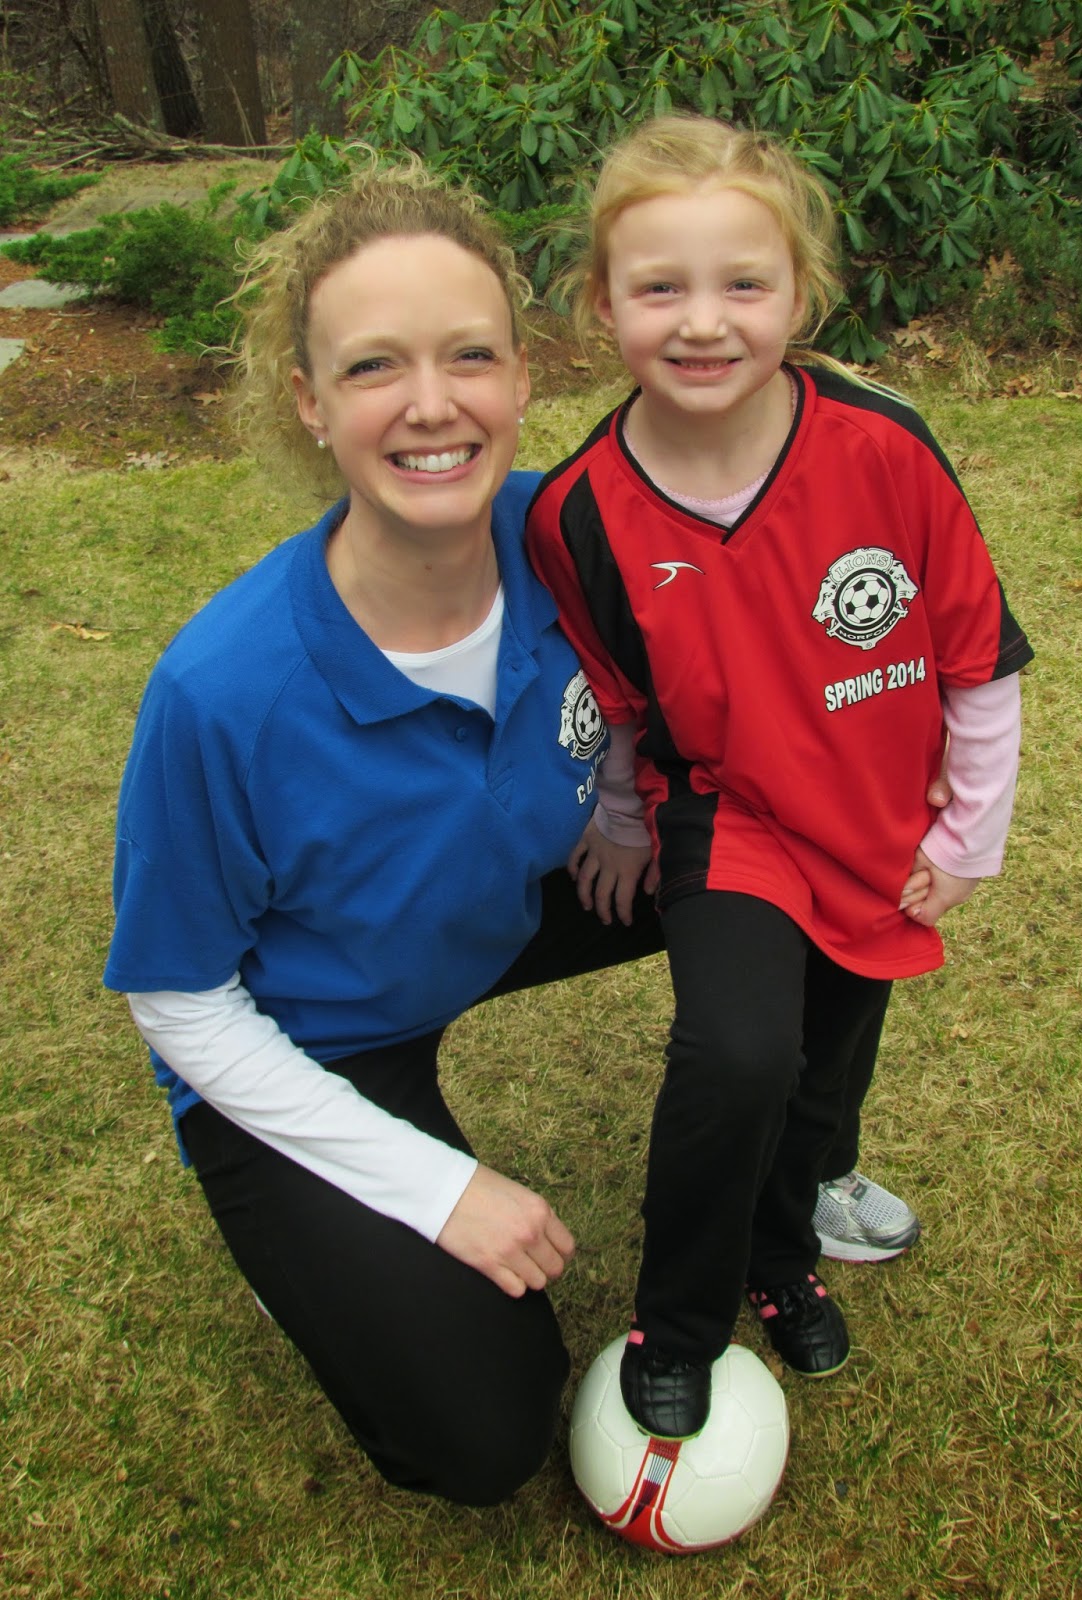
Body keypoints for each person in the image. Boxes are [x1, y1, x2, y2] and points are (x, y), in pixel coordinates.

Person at [102, 159, 665, 1505]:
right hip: (313, 1035)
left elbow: (659, 678)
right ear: (309, 402)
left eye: (471, 355)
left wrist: (630, 811)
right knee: (480, 1440)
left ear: (525, 377)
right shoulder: (222, 692)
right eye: (372, 369)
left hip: (508, 903)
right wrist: (434, 1189)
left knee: (801, 865)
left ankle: (800, 1182)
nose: (432, 406)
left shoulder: (575, 541)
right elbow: (180, 1000)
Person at [526, 115, 1033, 1440]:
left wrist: (969, 835)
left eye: (743, 283)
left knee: (821, 1079)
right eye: (659, 287)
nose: (704, 322)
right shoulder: (577, 511)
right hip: (726, 815)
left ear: (801, 293)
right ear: (602, 305)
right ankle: (677, 1319)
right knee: (741, 1052)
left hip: (872, 824)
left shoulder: (887, 449)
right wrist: (629, 825)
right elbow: (618, 697)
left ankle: (780, 1257)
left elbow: (981, 659)